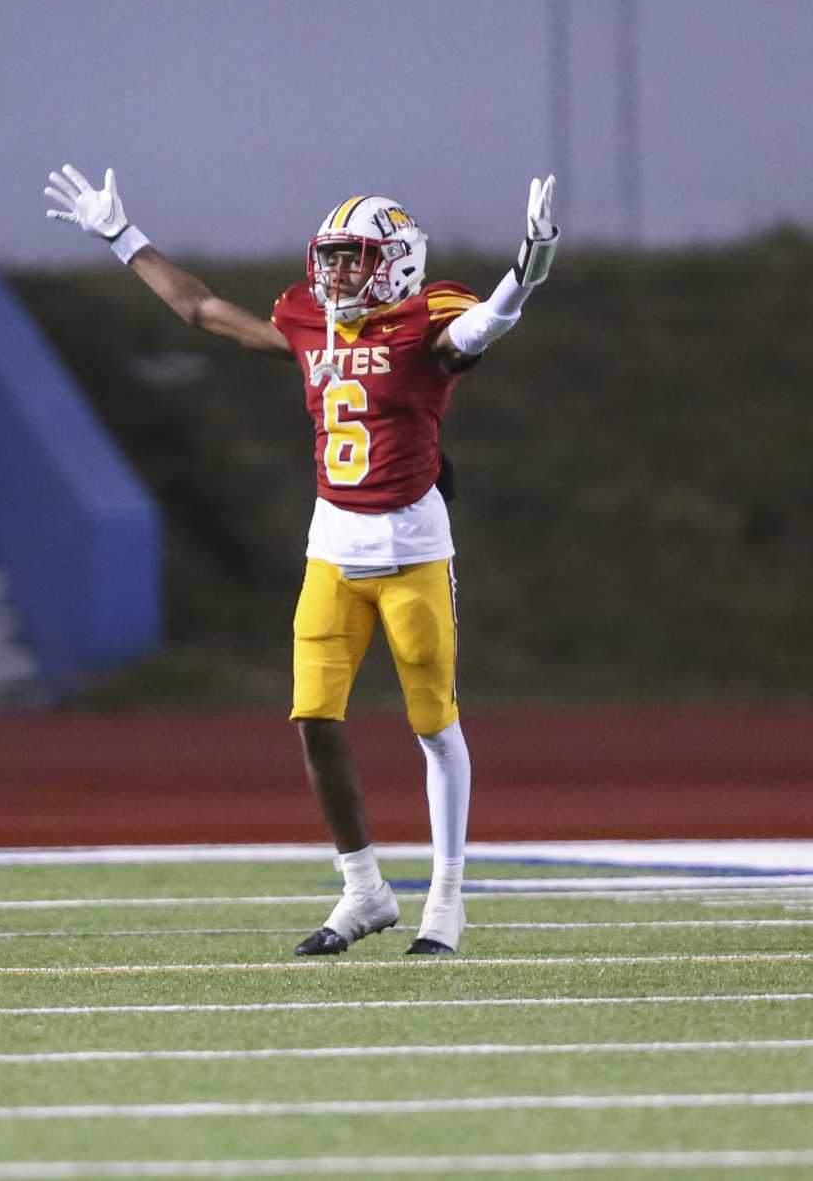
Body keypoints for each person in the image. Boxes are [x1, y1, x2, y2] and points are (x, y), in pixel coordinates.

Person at [46, 165, 560, 955]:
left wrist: (524, 273)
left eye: (354, 257)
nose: (336, 272)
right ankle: (364, 890)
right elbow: (202, 309)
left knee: (433, 722)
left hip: (414, 546)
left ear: (393, 261)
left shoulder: (424, 319)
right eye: (333, 257)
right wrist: (123, 237)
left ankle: (447, 900)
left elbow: (478, 330)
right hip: (333, 545)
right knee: (313, 718)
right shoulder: (307, 319)